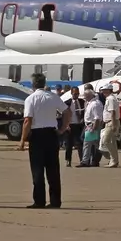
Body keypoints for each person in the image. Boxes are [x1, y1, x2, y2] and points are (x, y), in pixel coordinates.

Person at [20, 72, 70, 208]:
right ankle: (55, 201)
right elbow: (67, 111)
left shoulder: (31, 99)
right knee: (53, 169)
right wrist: (63, 128)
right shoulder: (52, 97)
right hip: (51, 134)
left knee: (37, 170)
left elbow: (27, 120)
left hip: (37, 135)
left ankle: (39, 200)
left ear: (33, 84)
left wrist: (23, 140)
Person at [80, 85, 104, 167]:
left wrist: (93, 128)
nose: (84, 97)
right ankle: (109, 157)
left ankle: (85, 161)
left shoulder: (95, 104)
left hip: (92, 125)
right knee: (96, 144)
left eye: (85, 96)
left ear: (89, 96)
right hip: (90, 125)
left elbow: (97, 118)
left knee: (87, 144)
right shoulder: (91, 103)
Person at [99, 86, 121, 168]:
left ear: (109, 90)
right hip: (109, 122)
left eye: (105, 90)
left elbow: (112, 112)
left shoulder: (110, 99)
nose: (103, 92)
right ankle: (115, 160)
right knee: (112, 142)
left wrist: (114, 124)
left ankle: (113, 159)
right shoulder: (110, 98)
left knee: (106, 141)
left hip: (111, 122)